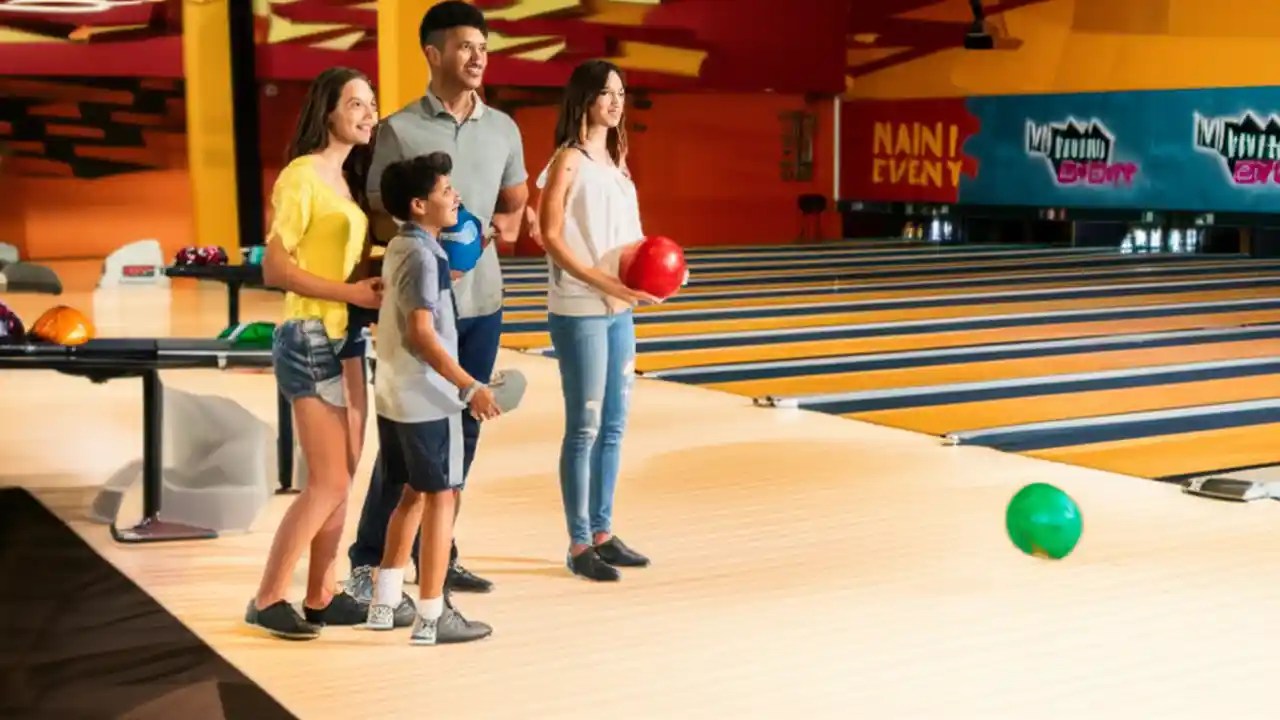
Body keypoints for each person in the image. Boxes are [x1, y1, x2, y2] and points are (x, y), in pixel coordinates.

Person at [345, 0, 528, 598]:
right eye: (465, 46)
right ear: (433, 52)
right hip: (421, 309)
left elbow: (515, 200)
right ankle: (371, 557)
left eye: (484, 46)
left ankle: (438, 553)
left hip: (483, 303)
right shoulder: (399, 128)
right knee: (408, 439)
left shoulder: (503, 128)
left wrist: (499, 229)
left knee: (463, 436)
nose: (478, 57)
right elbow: (378, 213)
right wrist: (432, 245)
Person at [246, 66, 382, 639]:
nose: (368, 113)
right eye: (356, 103)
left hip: (348, 337)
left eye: (372, 103)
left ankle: (322, 595)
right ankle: (268, 597)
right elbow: (275, 268)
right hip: (309, 336)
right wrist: (350, 291)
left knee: (345, 477)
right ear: (328, 110)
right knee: (326, 480)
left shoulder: (348, 182)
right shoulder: (303, 176)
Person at [363, 152, 502, 645]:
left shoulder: (401, 246)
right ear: (420, 204)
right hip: (430, 401)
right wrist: (469, 385)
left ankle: (383, 603)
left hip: (395, 397)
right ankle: (431, 614)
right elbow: (424, 333)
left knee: (412, 496)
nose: (455, 196)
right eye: (446, 190)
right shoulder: (425, 255)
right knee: (443, 498)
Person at [536, 60, 664, 582]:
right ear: (584, 99)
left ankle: (605, 533)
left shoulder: (616, 162)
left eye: (621, 92)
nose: (616, 101)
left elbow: (629, 237)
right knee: (585, 428)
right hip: (581, 309)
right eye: (606, 92)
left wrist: (657, 270)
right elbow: (550, 235)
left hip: (619, 309)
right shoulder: (568, 160)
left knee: (613, 426)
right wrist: (602, 282)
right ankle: (578, 542)